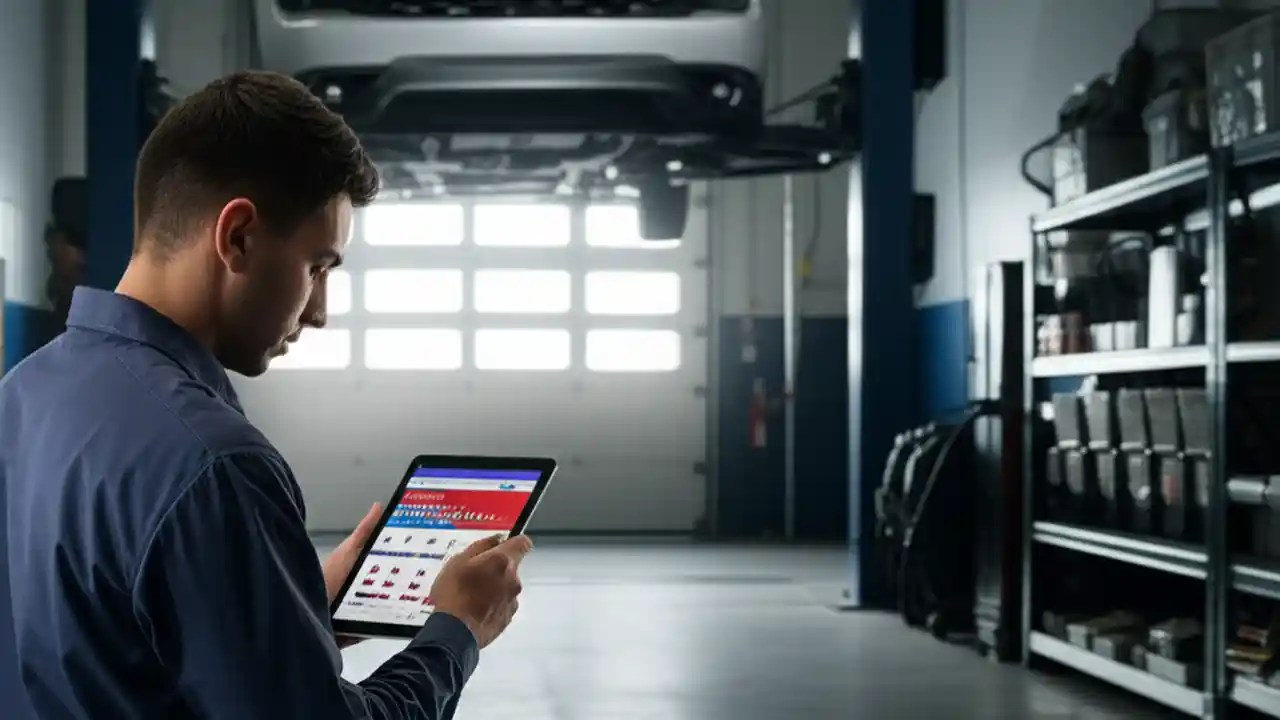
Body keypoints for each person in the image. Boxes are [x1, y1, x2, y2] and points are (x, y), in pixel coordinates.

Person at [0, 70, 531, 719]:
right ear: (238, 236)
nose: (320, 312)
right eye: (318, 267)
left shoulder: (25, 392)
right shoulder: (213, 461)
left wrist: (301, 603)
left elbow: (108, 647)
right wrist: (457, 631)